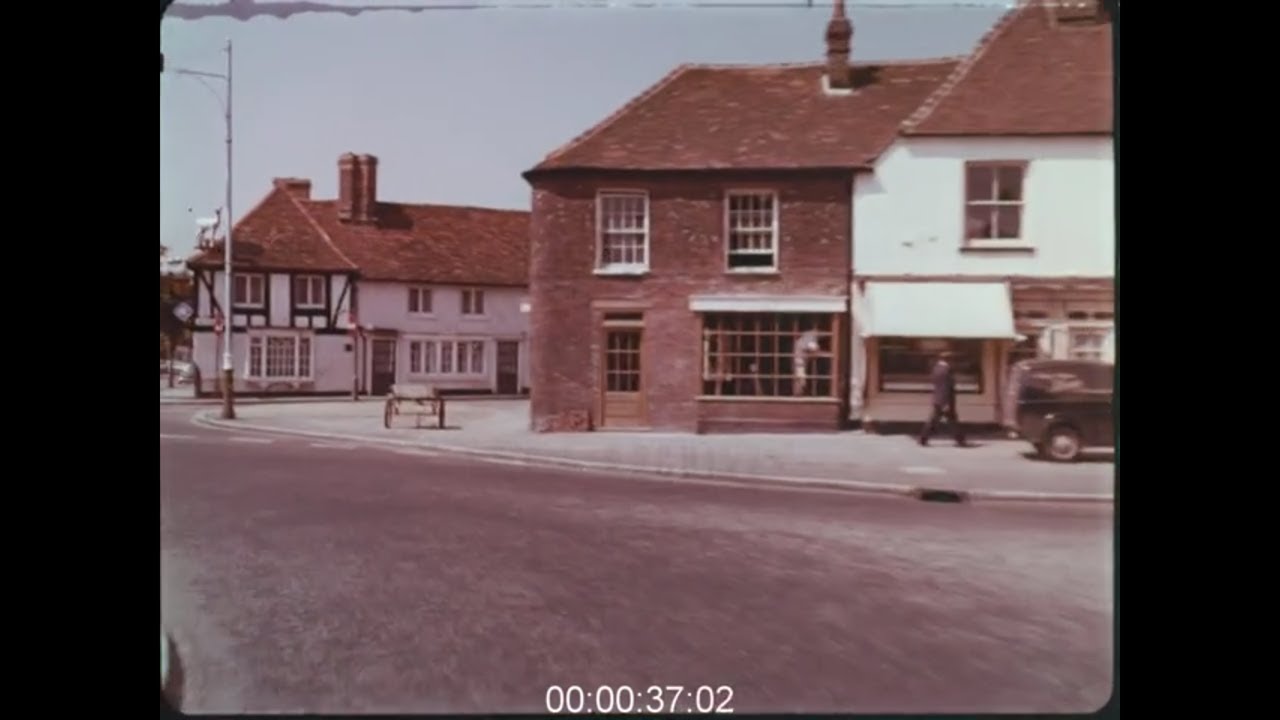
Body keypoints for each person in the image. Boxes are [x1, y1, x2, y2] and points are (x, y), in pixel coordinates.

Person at [918, 351, 968, 447]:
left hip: (938, 399)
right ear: (948, 359)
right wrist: (946, 403)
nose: (953, 362)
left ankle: (923, 439)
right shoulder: (946, 370)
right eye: (952, 359)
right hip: (945, 400)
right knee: (950, 421)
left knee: (940, 420)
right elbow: (946, 387)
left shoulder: (936, 368)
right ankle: (960, 440)